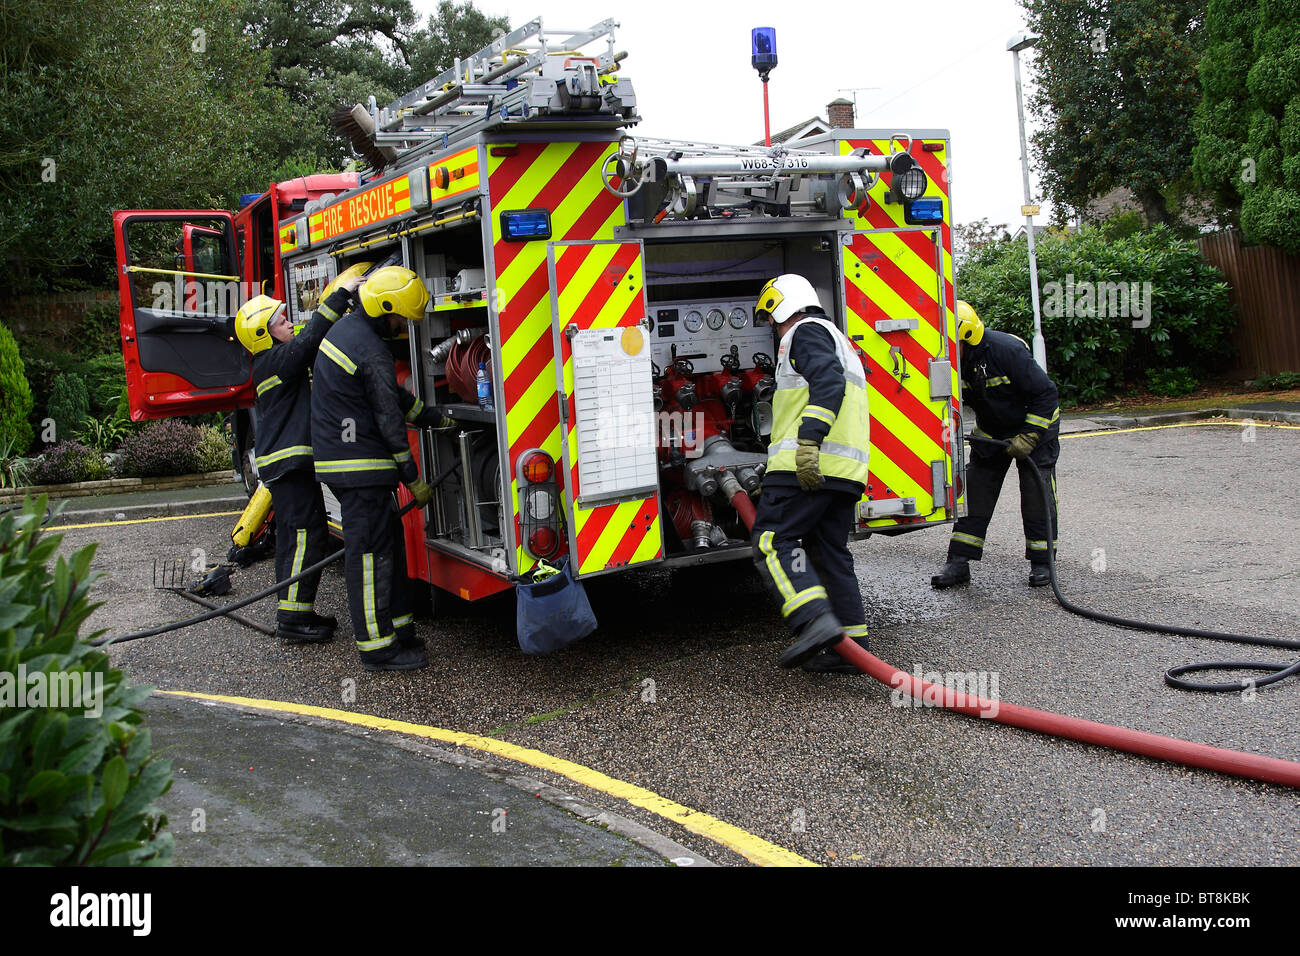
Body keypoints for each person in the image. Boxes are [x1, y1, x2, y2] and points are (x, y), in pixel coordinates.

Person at [311, 265, 442, 672]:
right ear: (386, 306)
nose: (403, 326)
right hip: (359, 469)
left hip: (350, 465)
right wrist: (413, 480)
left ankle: (399, 629)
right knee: (369, 557)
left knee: (387, 551)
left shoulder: (352, 332)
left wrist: (430, 416)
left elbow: (391, 396)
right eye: (400, 317)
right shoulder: (371, 349)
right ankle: (377, 648)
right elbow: (388, 419)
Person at [233, 266, 364, 644]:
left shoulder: (270, 363)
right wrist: (341, 295)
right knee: (306, 534)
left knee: (297, 535)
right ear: (263, 333)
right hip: (288, 465)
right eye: (282, 320)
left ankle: (296, 613)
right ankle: (293, 620)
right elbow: (307, 343)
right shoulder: (274, 362)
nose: (289, 323)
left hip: (287, 464)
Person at [750, 274, 872, 674]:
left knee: (772, 539)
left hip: (808, 465)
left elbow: (828, 383)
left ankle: (813, 619)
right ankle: (852, 649)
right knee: (828, 551)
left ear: (782, 306)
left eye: (771, 318)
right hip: (845, 471)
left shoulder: (804, 332)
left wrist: (808, 442)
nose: (773, 329)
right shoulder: (837, 336)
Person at [932, 300, 1061, 589]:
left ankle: (1043, 562)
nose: (950, 350)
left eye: (955, 343)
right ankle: (959, 561)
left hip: (1035, 428)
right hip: (991, 432)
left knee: (1035, 492)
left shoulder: (1007, 351)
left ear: (968, 337)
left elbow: (1046, 394)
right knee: (977, 492)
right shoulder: (952, 363)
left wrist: (1029, 436)